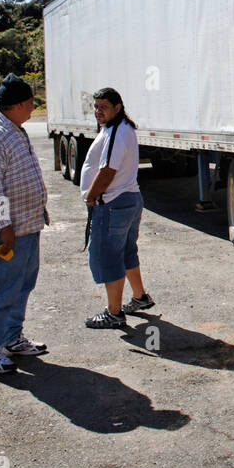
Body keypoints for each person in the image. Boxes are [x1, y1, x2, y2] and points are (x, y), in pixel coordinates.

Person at [0, 73, 50, 375]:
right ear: (15, 105)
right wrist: (5, 227)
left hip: (25, 228)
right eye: (29, 104)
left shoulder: (13, 128)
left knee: (20, 287)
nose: (32, 108)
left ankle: (10, 338)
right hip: (7, 233)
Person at [81, 87, 152, 328]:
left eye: (104, 107)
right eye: (96, 107)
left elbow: (107, 171)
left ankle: (114, 313)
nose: (98, 111)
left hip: (113, 203)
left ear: (118, 107)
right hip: (129, 199)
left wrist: (91, 196)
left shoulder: (117, 132)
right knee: (126, 251)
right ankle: (140, 297)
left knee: (109, 256)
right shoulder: (121, 128)